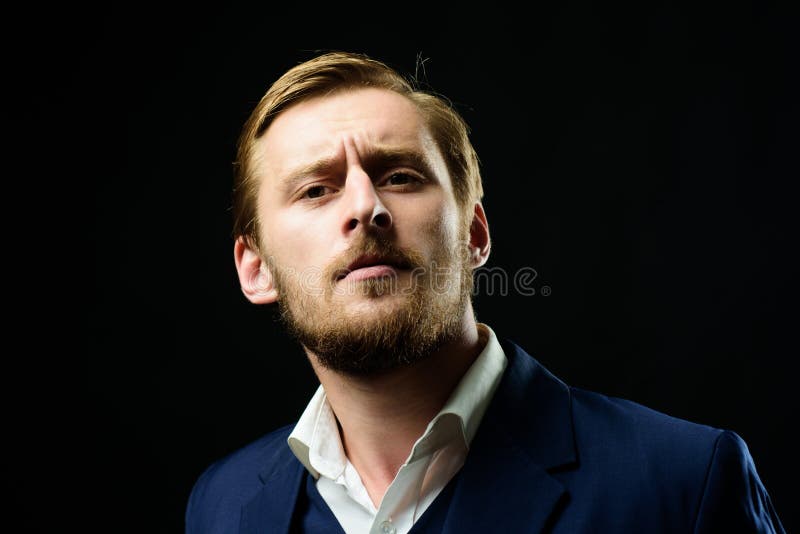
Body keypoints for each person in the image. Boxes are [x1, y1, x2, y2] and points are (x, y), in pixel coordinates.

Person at [185, 51, 784, 534]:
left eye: (400, 176)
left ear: (474, 233)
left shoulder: (684, 483)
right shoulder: (220, 505)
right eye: (316, 190)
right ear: (255, 269)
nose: (366, 207)